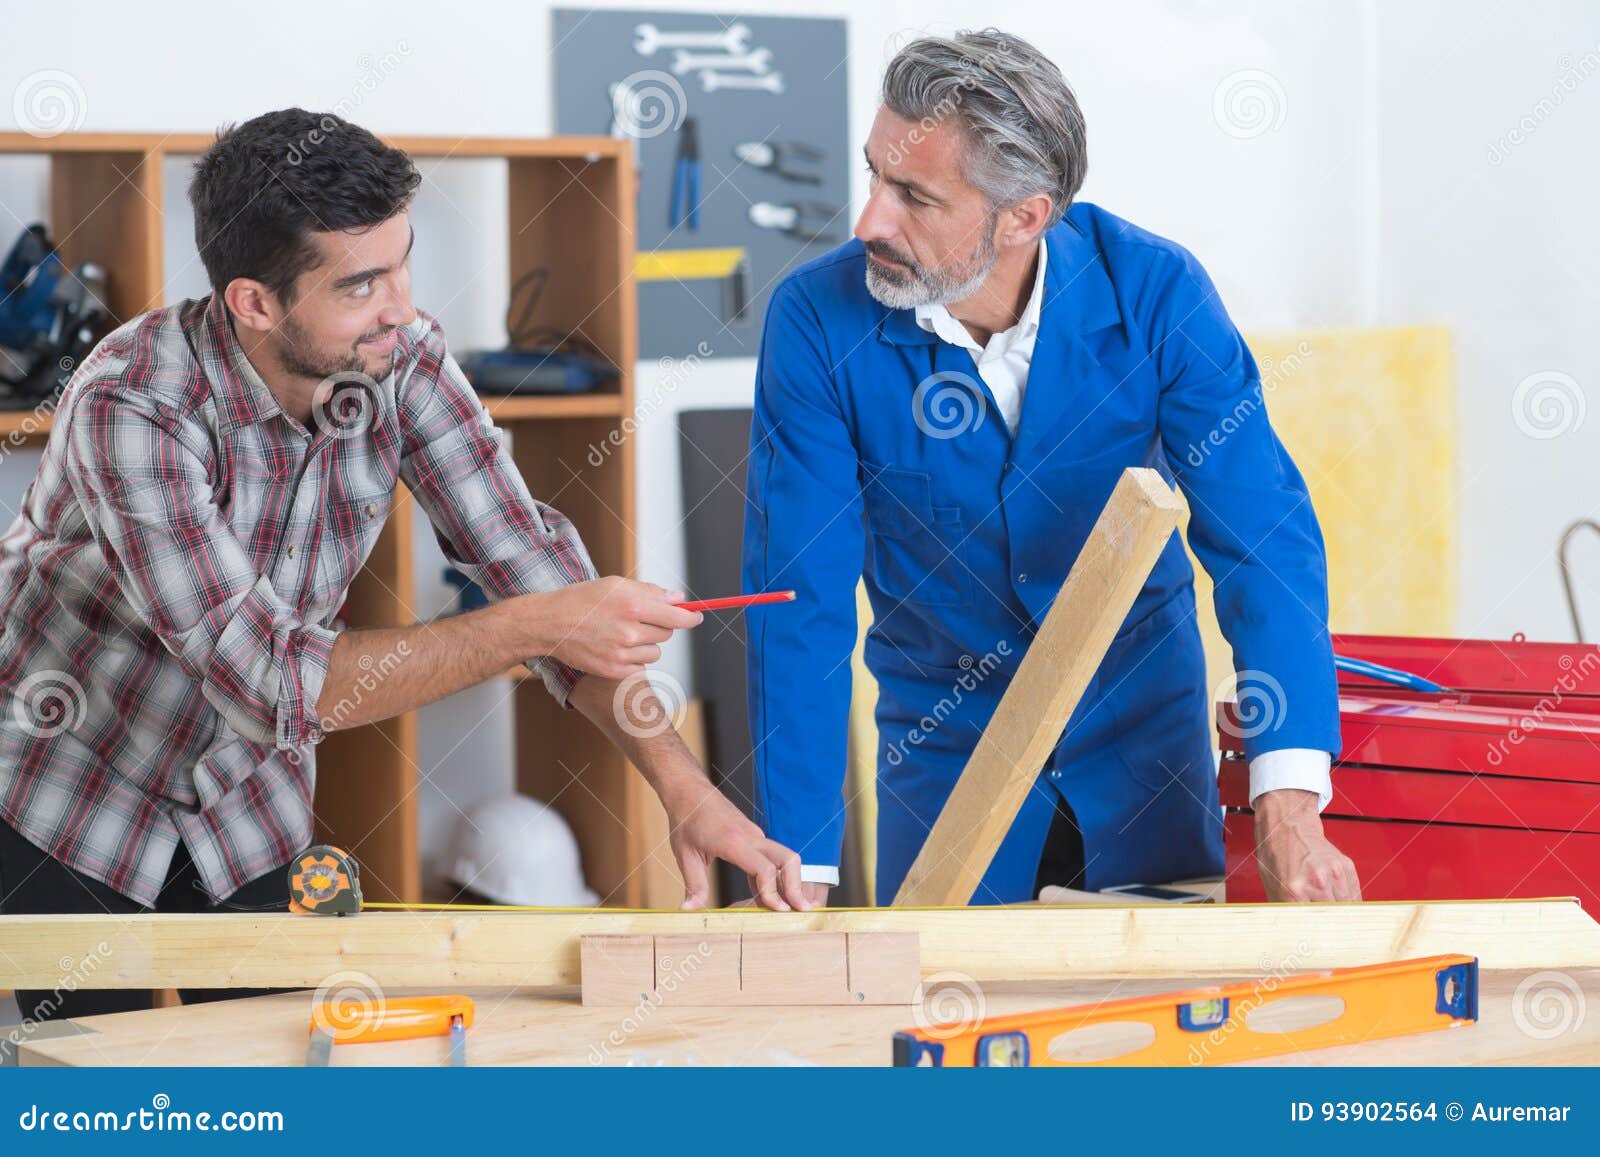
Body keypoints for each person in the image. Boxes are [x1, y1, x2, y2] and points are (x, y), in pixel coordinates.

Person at [0, 109, 810, 1025]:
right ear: (254, 303)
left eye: (403, 263)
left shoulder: (402, 356)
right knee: (103, 1091)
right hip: (76, 785)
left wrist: (684, 787)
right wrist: (537, 623)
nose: (402, 306)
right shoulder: (132, 402)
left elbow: (533, 568)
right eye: (360, 283)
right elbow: (271, 684)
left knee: (283, 1080)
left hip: (246, 802)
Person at [742, 30, 1361, 907]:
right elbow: (797, 600)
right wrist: (797, 866)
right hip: (948, 759)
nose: (868, 221)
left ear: (1024, 216)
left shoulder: (1155, 293)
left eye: (912, 195)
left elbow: (1264, 540)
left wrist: (1289, 802)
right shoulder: (816, 322)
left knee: (1156, 1026)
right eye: (874, 173)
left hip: (1143, 750)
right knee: (949, 1025)